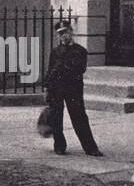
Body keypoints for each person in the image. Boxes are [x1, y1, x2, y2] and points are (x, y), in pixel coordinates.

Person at [44, 20, 102, 157]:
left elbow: (80, 68)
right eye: (59, 34)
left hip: (73, 89)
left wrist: (61, 66)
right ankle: (59, 146)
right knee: (56, 118)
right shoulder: (55, 52)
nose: (62, 36)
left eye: (65, 32)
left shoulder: (80, 51)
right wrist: (47, 88)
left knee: (79, 117)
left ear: (71, 32)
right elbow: (50, 70)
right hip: (56, 88)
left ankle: (91, 148)